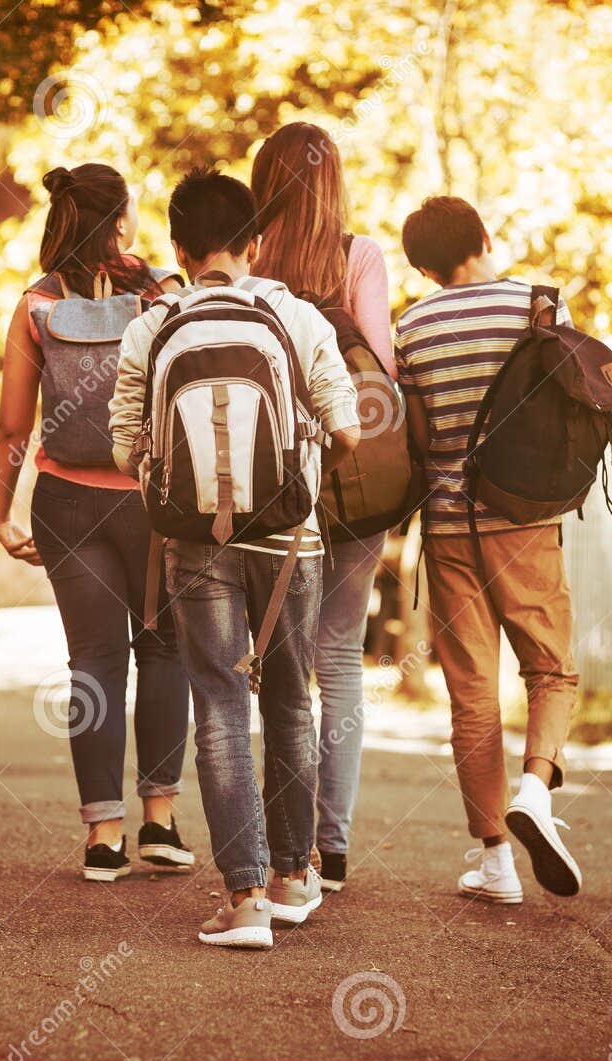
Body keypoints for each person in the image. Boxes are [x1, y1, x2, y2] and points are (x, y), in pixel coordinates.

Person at [109, 168, 359, 949]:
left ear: (178, 249)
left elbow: (124, 449)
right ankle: (293, 876)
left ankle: (244, 896)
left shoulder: (152, 325)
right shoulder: (296, 315)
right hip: (292, 541)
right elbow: (348, 430)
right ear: (255, 243)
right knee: (290, 697)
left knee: (218, 702)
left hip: (195, 542)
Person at [0, 162, 194, 882]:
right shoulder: (164, 293)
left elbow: (15, 424)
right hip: (155, 499)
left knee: (94, 663)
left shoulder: (35, 304)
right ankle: (161, 822)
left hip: (67, 502)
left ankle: (103, 834)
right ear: (119, 222)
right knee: (165, 648)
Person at [395, 197, 583, 902]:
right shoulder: (540, 308)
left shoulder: (411, 326)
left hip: (448, 530)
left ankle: (496, 861)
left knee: (472, 696)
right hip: (526, 522)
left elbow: (416, 440)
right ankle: (536, 787)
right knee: (551, 670)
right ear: (484, 236)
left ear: (422, 266)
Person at [250, 122, 395, 894]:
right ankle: (330, 847)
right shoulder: (358, 255)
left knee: (278, 659)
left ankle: (285, 845)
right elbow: (382, 370)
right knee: (338, 654)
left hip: (271, 484)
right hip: (358, 485)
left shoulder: (250, 260)